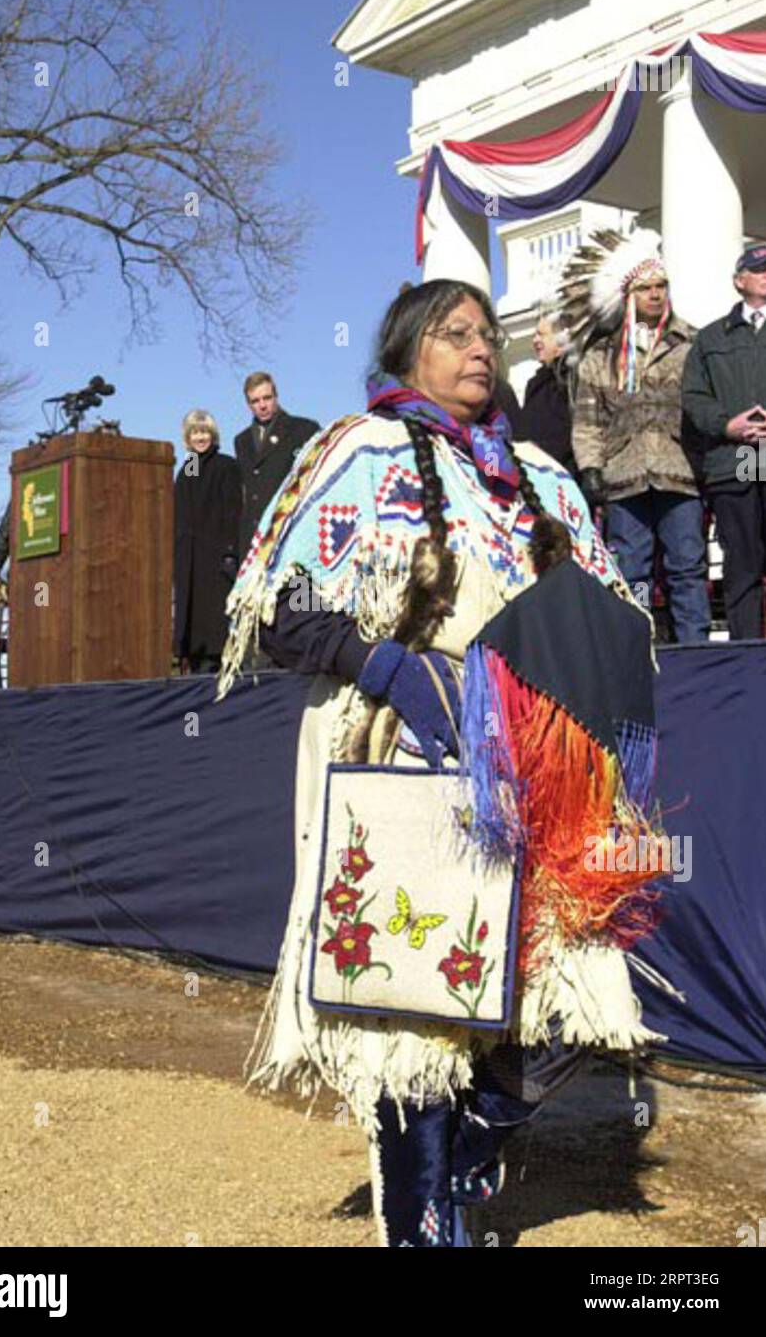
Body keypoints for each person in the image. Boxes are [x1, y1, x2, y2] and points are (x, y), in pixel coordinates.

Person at [218, 280, 664, 1248]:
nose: (477, 349)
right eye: (451, 334)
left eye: (482, 334)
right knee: (415, 1000)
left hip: (534, 751)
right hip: (397, 744)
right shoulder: (353, 453)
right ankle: (421, 1211)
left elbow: (609, 615)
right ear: (405, 351)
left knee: (573, 994)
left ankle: (468, 1142)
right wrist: (391, 668)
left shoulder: (539, 476)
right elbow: (278, 609)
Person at [567, 229, 710, 643]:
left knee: (687, 565)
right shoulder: (601, 355)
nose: (655, 294)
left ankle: (695, 647)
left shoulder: (692, 344)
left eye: (661, 286)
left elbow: (705, 406)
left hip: (678, 471)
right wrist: (591, 468)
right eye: (645, 287)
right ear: (628, 295)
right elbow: (588, 420)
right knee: (632, 568)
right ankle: (637, 644)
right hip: (623, 476)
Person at [682, 243, 766, 639]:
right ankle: (748, 656)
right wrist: (726, 425)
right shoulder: (711, 337)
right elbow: (693, 397)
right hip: (733, 462)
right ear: (740, 281)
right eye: (760, 269)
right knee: (742, 564)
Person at [173, 411, 241, 673]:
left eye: (204, 432)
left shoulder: (226, 466)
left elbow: (232, 511)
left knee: (215, 629)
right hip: (189, 561)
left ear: (212, 434)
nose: (200, 437)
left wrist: (229, 552)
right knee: (192, 630)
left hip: (215, 559)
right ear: (187, 438)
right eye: (194, 433)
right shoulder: (187, 469)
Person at [233, 372, 319, 560]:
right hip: (253, 540)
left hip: (288, 533)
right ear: (248, 405)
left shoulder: (303, 430)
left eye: (267, 398)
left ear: (276, 397)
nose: (262, 405)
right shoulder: (242, 441)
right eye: (255, 401)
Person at [512, 310, 578, 476]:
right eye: (534, 334)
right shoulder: (535, 383)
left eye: (541, 335)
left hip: (566, 474)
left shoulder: (575, 377)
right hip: (535, 471)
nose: (535, 340)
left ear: (562, 339)